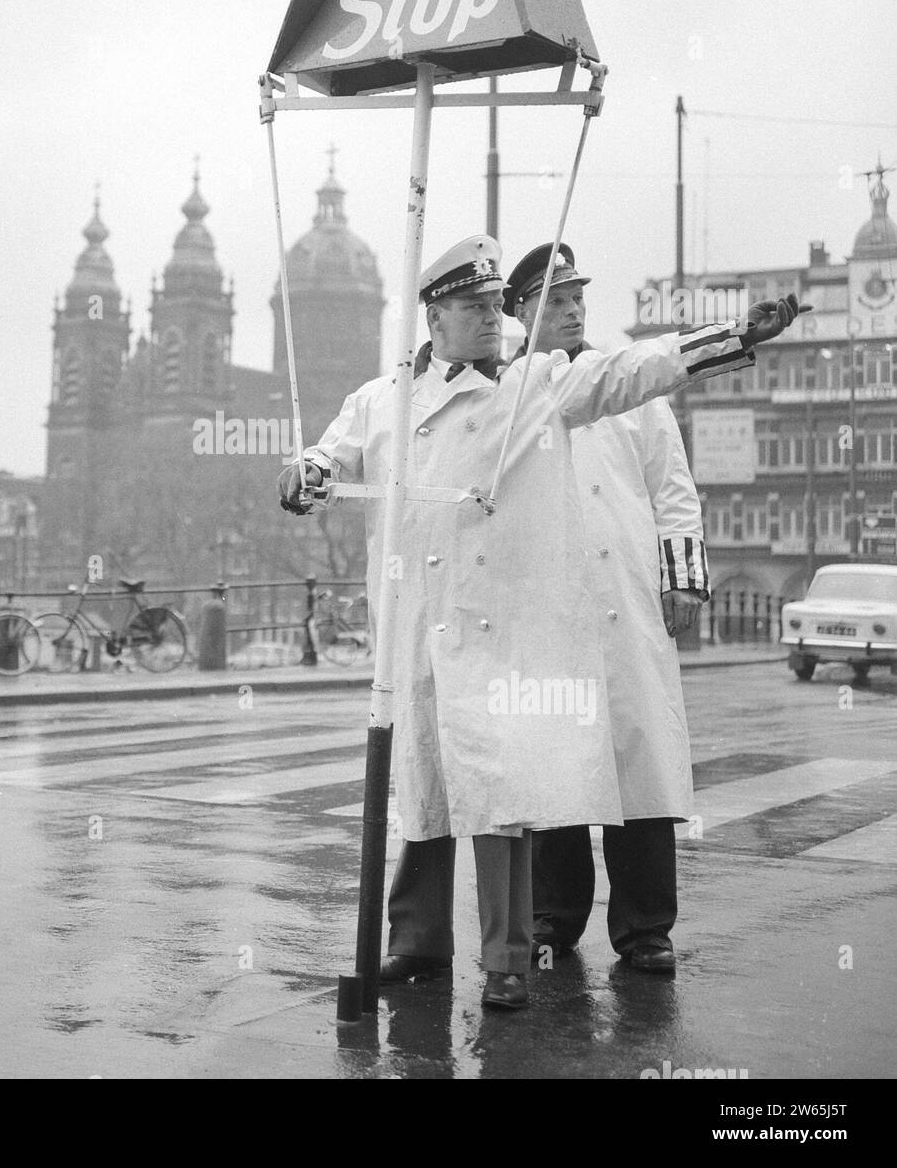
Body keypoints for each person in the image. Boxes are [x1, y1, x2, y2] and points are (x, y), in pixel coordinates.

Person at [279, 234, 805, 1009]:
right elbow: (332, 454)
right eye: (477, 306)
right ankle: (431, 944)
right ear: (436, 317)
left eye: (498, 305)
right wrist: (308, 473)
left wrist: (725, 338)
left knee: (528, 791)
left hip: (529, 616)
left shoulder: (537, 385)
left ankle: (536, 953)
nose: (494, 319)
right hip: (425, 619)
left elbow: (640, 394)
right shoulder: (383, 396)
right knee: (427, 792)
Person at [504, 243, 704, 973]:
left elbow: (672, 488)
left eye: (576, 296)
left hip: (626, 599)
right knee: (558, 767)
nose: (571, 309)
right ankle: (552, 919)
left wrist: (682, 580)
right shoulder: (512, 390)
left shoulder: (632, 387)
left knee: (639, 764)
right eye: (555, 300)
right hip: (550, 606)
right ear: (520, 312)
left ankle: (646, 927)